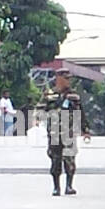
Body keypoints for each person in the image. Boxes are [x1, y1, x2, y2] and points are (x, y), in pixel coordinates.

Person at [43, 68, 92, 196]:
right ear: (58, 78)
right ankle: (56, 187)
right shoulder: (49, 94)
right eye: (66, 78)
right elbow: (40, 109)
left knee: (70, 159)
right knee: (55, 160)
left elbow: (80, 113)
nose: (68, 81)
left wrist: (85, 130)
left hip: (69, 132)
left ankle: (69, 186)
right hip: (54, 133)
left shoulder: (73, 96)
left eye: (69, 78)